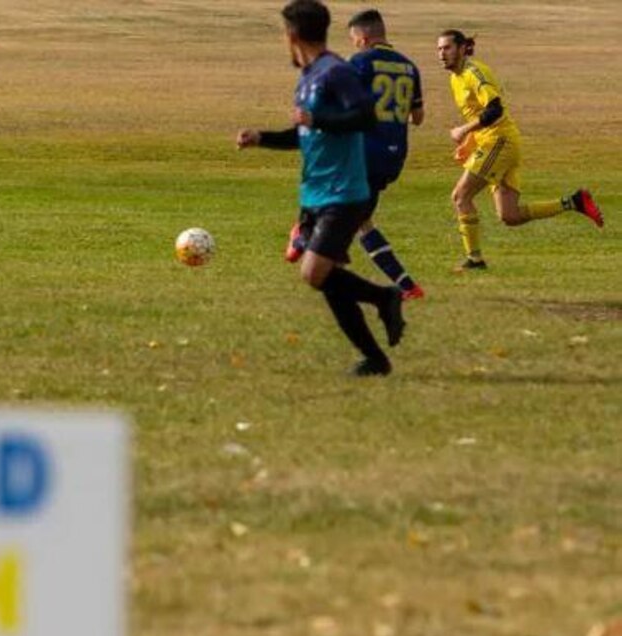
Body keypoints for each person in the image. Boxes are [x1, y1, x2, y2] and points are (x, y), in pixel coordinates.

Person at [238, 0, 405, 377]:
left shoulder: (335, 72)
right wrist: (262, 138)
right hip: (316, 191)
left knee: (314, 272)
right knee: (328, 280)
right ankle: (375, 358)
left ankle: (385, 297)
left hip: (344, 192)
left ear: (292, 35)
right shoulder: (309, 75)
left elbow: (364, 115)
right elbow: (305, 134)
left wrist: (319, 117)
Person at [437, 30, 604, 271]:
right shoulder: (455, 78)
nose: (442, 54)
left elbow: (495, 110)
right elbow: (478, 113)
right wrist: (470, 142)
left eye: (447, 48)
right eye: (439, 49)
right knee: (510, 216)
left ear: (462, 49)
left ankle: (474, 260)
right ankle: (574, 202)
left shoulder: (474, 73)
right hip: (496, 141)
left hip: (499, 141)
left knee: (460, 197)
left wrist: (463, 130)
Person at [347, 9, 425, 300]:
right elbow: (418, 117)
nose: (355, 45)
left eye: (355, 40)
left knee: (334, 207)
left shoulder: (360, 63)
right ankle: (408, 287)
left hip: (363, 154)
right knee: (362, 221)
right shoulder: (409, 66)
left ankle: (303, 237)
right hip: (392, 157)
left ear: (364, 38)